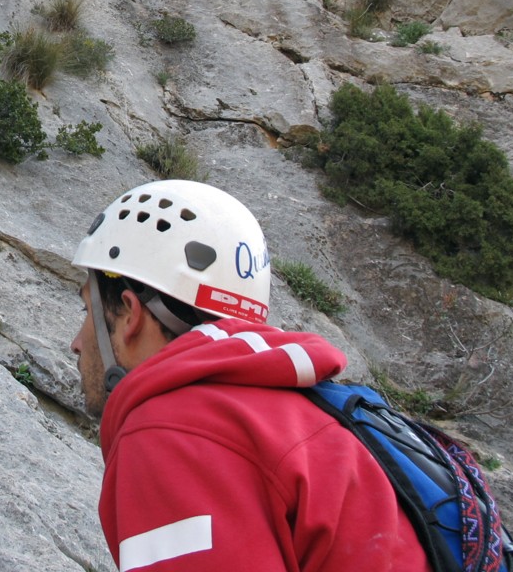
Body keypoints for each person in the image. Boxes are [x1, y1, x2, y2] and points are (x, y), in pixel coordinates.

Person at [70, 180, 432, 572]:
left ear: (129, 313)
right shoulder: (301, 410)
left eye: (88, 312)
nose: (77, 342)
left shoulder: (171, 433)